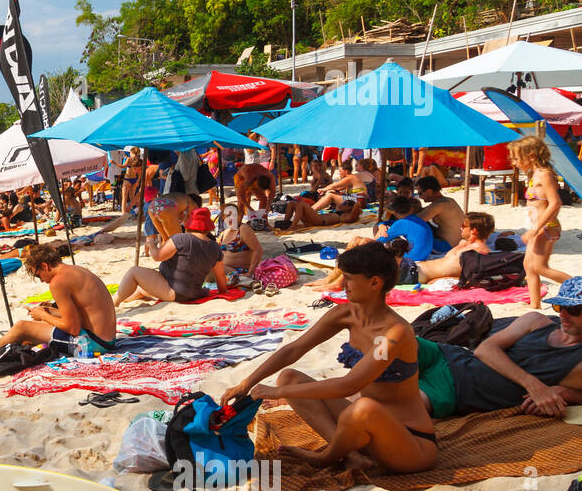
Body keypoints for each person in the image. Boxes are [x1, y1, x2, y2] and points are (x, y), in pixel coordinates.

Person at [222, 240, 437, 474]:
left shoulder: (395, 332)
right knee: (290, 378)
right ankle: (352, 456)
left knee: (362, 407)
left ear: (375, 283)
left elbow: (350, 384)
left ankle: (326, 457)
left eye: (350, 278)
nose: (343, 284)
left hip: (411, 443)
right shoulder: (346, 314)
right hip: (365, 431)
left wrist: (277, 393)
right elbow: (294, 350)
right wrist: (246, 383)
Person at [417, 276, 582, 421]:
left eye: (574, 310)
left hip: (455, 388)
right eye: (559, 307)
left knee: (396, 405)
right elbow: (485, 349)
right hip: (446, 355)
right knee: (392, 342)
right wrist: (534, 385)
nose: (563, 315)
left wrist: (567, 394)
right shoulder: (536, 321)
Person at [0, 244, 116, 361]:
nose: (41, 280)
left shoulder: (57, 282)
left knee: (22, 327)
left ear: (44, 266)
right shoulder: (75, 270)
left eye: (38, 275)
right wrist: (49, 312)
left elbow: (73, 328)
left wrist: (43, 315)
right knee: (36, 328)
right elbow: (81, 315)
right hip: (108, 340)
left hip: (92, 345)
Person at [114, 207, 227, 307]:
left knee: (134, 272)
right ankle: (126, 300)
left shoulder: (181, 239)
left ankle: (114, 302)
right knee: (141, 290)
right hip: (194, 293)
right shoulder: (214, 247)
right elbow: (220, 275)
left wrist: (151, 244)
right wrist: (222, 293)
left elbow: (157, 256)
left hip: (174, 291)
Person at [511, 135, 569, 309]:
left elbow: (555, 203)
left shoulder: (544, 174)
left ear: (531, 156)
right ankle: (535, 304)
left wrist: (536, 229)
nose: (514, 162)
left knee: (539, 267)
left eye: (516, 157)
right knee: (529, 266)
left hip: (545, 226)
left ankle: (577, 285)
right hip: (538, 226)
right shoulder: (536, 174)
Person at [414, 175, 464, 251]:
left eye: (420, 193)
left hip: (448, 246)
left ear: (429, 192)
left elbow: (413, 221)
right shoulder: (448, 200)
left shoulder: (439, 205)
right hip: (458, 243)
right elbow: (423, 211)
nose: (420, 197)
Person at [217, 203, 262, 279]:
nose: (231, 218)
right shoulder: (223, 234)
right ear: (223, 218)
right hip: (226, 271)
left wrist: (250, 273)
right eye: (228, 216)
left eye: (234, 215)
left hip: (240, 272)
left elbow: (258, 251)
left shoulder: (243, 229)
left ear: (239, 216)